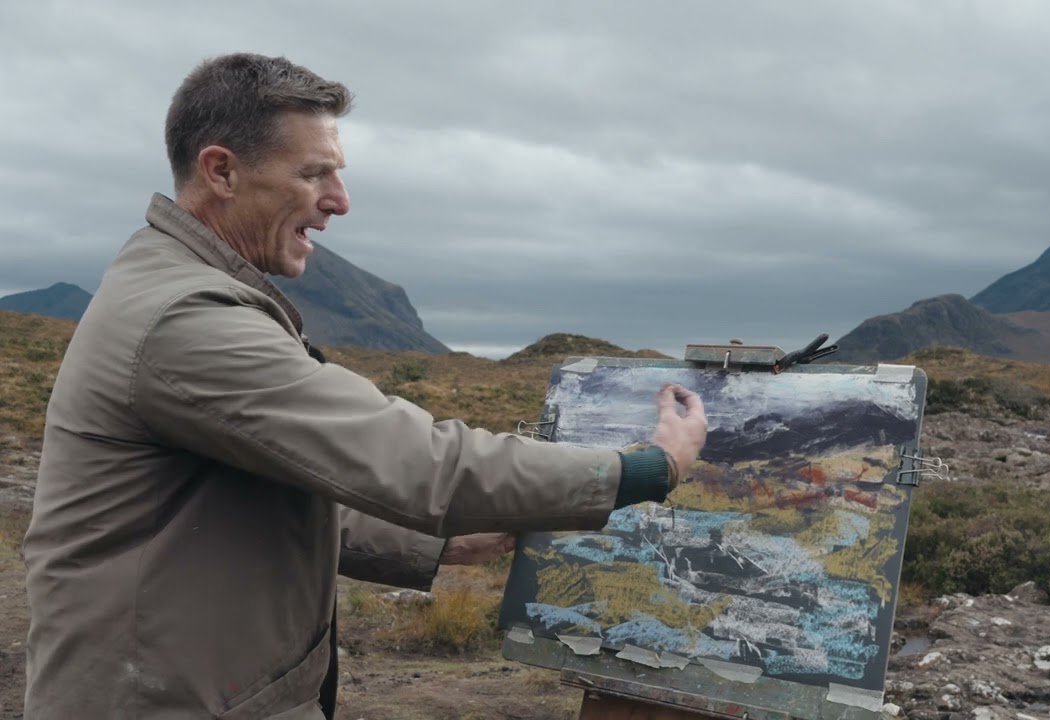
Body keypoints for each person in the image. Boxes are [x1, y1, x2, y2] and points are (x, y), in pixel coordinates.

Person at [21, 52, 708, 720]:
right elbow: (415, 459)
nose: (339, 201)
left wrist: (435, 544)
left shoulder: (179, 289)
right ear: (222, 171)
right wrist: (645, 468)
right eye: (314, 173)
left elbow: (275, 488)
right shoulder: (186, 319)